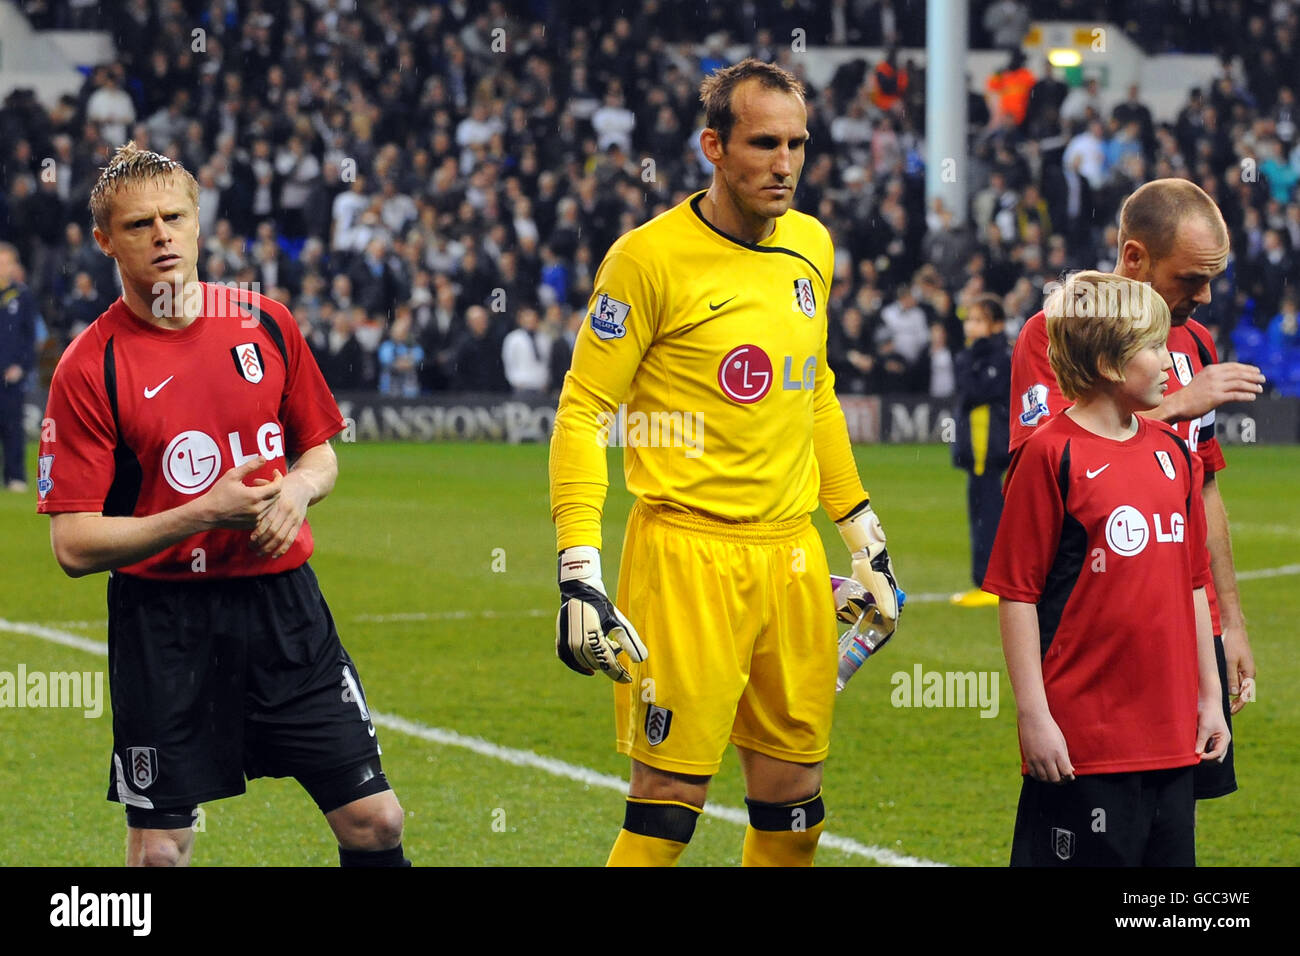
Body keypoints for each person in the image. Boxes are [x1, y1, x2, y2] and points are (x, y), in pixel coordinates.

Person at [548, 58, 901, 868]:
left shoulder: (812, 246)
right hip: (684, 557)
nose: (785, 165)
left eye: (797, 145)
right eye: (763, 143)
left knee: (795, 809)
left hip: (790, 558)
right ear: (714, 145)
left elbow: (815, 395)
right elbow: (583, 412)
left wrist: (864, 538)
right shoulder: (645, 261)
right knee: (668, 809)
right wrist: (578, 570)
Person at [36, 142, 409, 867]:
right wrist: (207, 510)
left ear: (200, 223)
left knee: (377, 822)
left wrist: (297, 492)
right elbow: (74, 546)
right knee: (159, 855)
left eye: (175, 217)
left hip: (285, 613)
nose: (162, 236)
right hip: (164, 625)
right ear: (104, 241)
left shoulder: (265, 322)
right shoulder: (91, 366)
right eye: (139, 224)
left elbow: (321, 454)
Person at [1009, 178, 1261, 804]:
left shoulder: (1195, 341)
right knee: (1095, 814)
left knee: (1174, 816)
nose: (1203, 298)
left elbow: (1203, 492)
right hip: (1095, 631)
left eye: (1212, 280)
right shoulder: (1056, 333)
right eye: (1189, 280)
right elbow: (1056, 459)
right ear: (1134, 259)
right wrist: (1178, 405)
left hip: (1183, 631)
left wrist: (1227, 623)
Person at [985, 271, 1229, 866]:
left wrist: (1209, 698)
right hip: (1083, 746)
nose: (1173, 361)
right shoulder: (1051, 455)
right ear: (1111, 364)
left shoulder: (1175, 453)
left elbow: (1194, 581)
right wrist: (1035, 718)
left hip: (1174, 742)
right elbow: (1017, 596)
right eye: (1155, 347)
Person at [949, 295, 1011, 608]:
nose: (970, 325)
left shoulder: (999, 357)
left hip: (988, 446)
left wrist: (969, 366)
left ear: (995, 325)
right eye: (969, 319)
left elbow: (977, 392)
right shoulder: (972, 356)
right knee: (981, 512)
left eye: (978, 320)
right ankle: (985, 579)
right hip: (976, 447)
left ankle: (990, 582)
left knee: (987, 514)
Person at [0, 243, 40, 492]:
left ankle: (15, 476)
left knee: (13, 427)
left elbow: (29, 337)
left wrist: (22, 367)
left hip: (12, 375)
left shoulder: (22, 296)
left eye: (5, 262)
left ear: (14, 266)